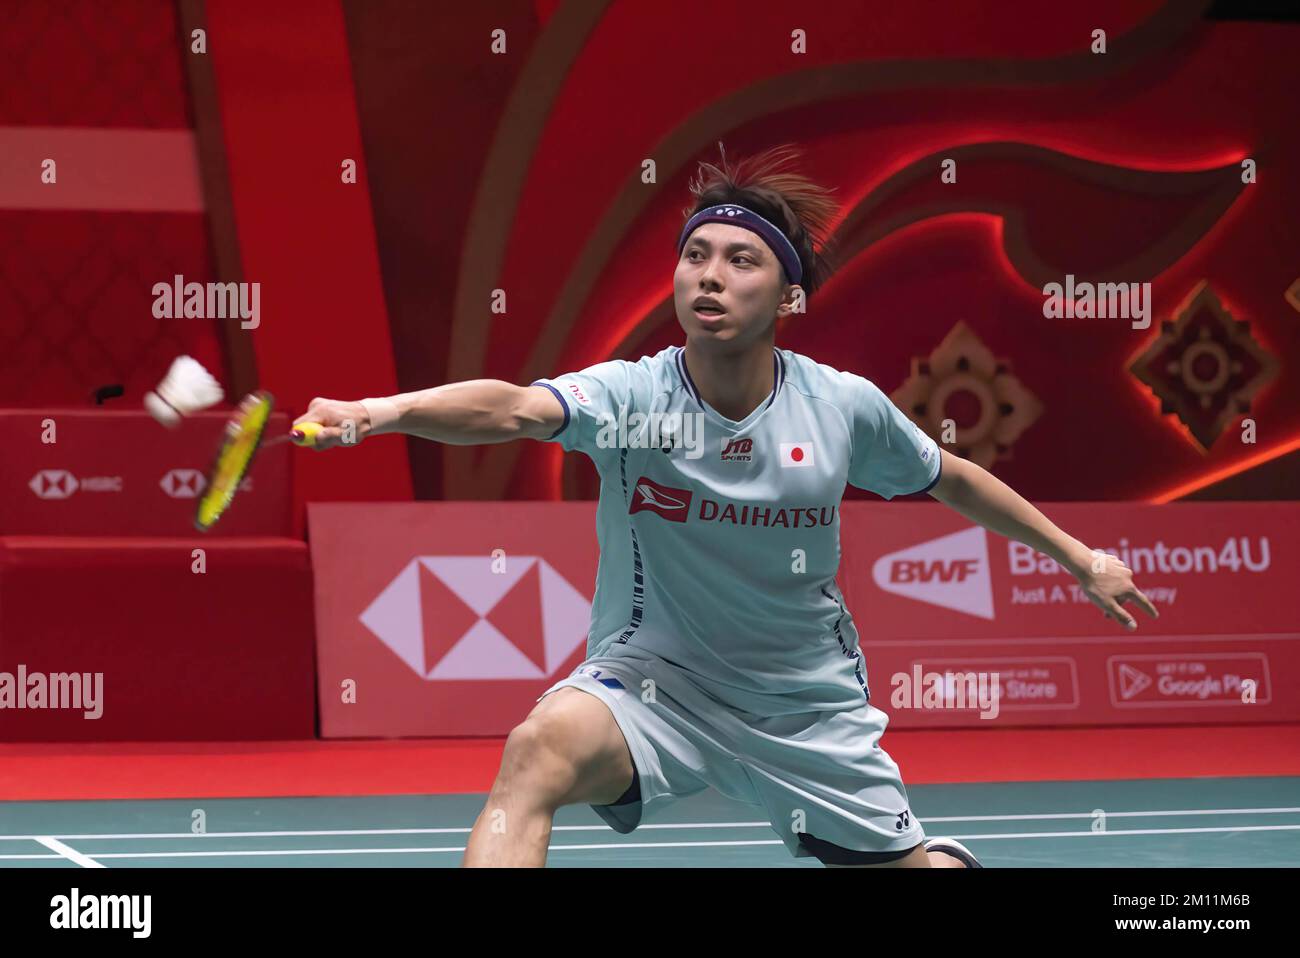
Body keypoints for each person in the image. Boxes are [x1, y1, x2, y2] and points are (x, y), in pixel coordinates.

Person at [295, 144, 1157, 868]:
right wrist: (381, 413)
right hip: (652, 683)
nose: (709, 277)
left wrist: (1080, 558)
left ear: (788, 298)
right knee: (536, 754)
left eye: (740, 261)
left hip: (803, 703)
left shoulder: (840, 406)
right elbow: (516, 408)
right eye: (695, 256)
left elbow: (952, 477)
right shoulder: (632, 394)